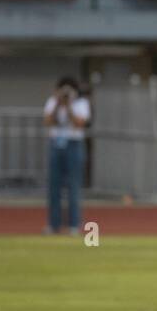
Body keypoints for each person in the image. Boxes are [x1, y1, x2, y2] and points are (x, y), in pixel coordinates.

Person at [44, 76, 90, 235]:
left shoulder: (81, 103)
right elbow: (49, 121)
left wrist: (69, 105)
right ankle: (53, 224)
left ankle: (74, 224)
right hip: (56, 143)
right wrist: (58, 103)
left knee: (73, 186)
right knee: (54, 186)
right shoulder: (52, 102)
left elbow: (79, 123)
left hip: (73, 144)